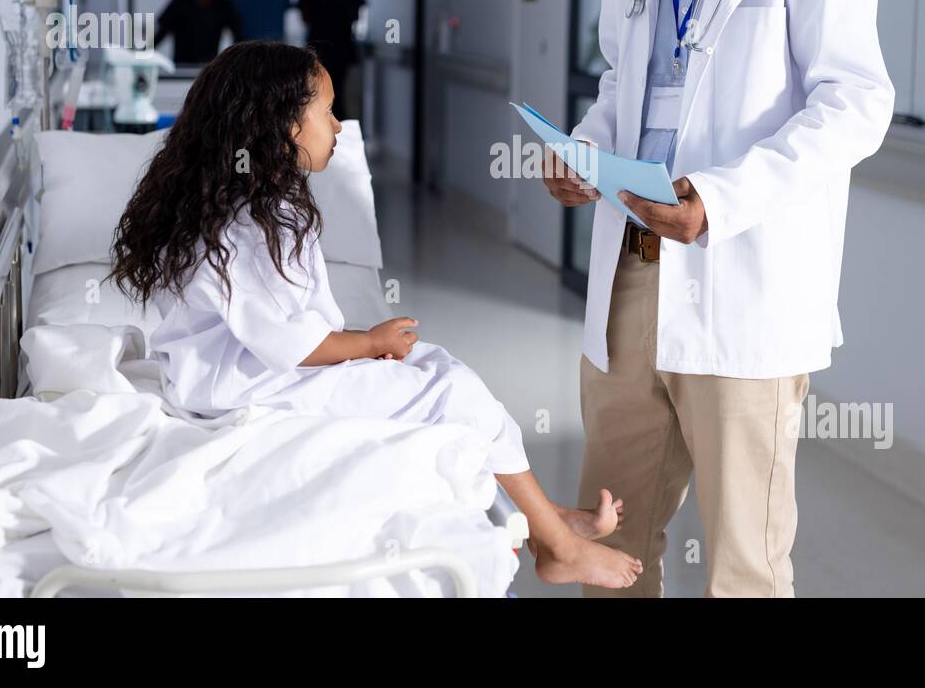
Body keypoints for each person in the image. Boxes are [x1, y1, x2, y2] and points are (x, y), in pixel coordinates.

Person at [541, 0, 896, 597]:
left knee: (744, 558)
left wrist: (721, 199)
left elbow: (856, 102)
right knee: (612, 535)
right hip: (632, 269)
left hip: (742, 275)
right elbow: (625, 78)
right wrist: (586, 146)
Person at [108, 41, 645, 589]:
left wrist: (368, 345)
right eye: (327, 112)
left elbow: (285, 327)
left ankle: (545, 519)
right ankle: (556, 544)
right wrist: (368, 343)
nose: (339, 126)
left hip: (246, 371)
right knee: (451, 391)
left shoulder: (251, 204)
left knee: (440, 369)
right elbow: (292, 345)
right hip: (240, 388)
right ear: (281, 125)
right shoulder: (249, 224)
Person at [298, 0, 365, 120]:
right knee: (340, 99)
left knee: (318, 99)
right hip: (342, 50)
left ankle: (324, 144)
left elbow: (305, 18)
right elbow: (355, 16)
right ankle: (340, 142)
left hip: (318, 51)